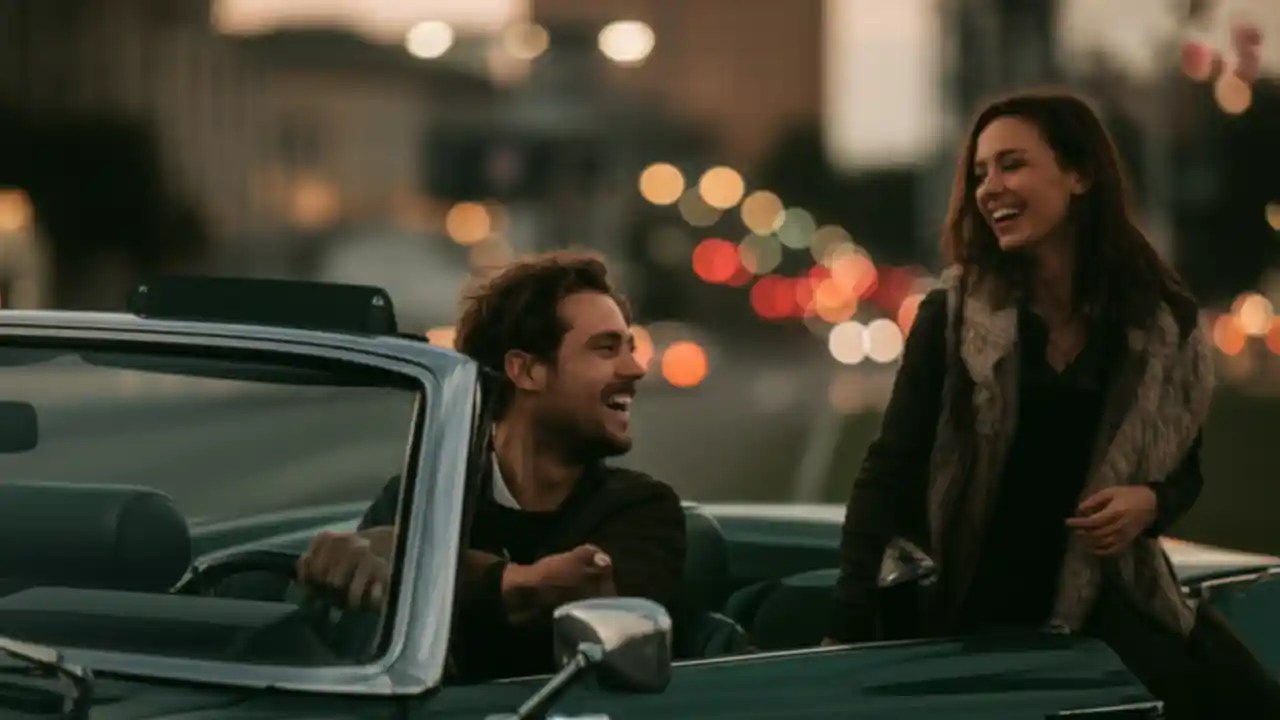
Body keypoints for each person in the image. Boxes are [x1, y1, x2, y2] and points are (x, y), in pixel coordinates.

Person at [828, 91, 1280, 717]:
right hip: (975, 612)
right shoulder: (953, 318)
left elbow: (1185, 468)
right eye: (980, 173)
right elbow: (888, 467)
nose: (990, 188)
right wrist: (852, 619)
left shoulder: (1155, 324)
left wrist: (1148, 502)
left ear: (1079, 174)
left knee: (1246, 698)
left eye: (1012, 165)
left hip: (1107, 601)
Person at [296, 252, 686, 681]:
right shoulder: (420, 497)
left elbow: (583, 597)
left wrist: (409, 555)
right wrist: (341, 563)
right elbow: (356, 642)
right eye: (607, 348)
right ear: (526, 370)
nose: (636, 367)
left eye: (630, 347)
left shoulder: (644, 510)